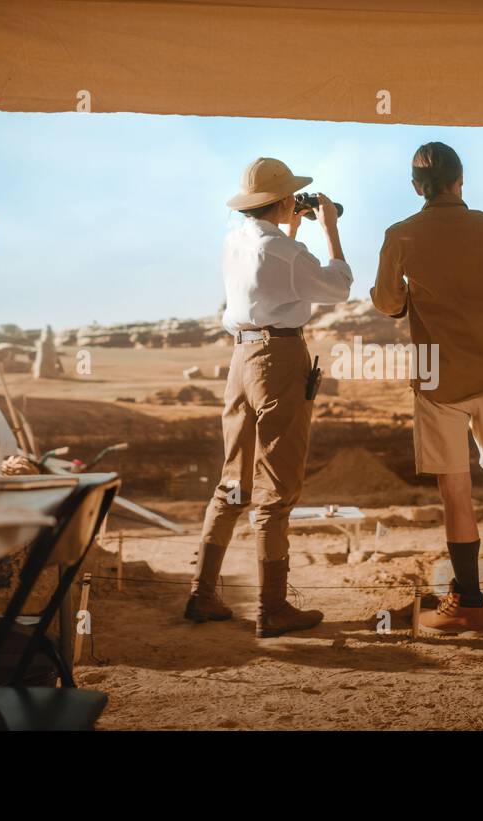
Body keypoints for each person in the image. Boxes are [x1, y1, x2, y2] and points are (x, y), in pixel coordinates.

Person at [371, 142, 483, 637]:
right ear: (460, 181)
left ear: (416, 187)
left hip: (438, 382)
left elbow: (386, 302)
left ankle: (469, 603)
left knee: (456, 489)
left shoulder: (400, 235)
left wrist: (409, 296)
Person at [185, 157, 352, 638]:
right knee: (276, 488)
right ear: (283, 201)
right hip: (278, 359)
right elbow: (339, 287)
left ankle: (202, 594)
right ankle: (272, 607)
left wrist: (292, 231)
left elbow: (273, 275)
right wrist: (330, 231)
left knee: (232, 481)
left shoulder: (234, 241)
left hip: (241, 360)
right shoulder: (285, 250)